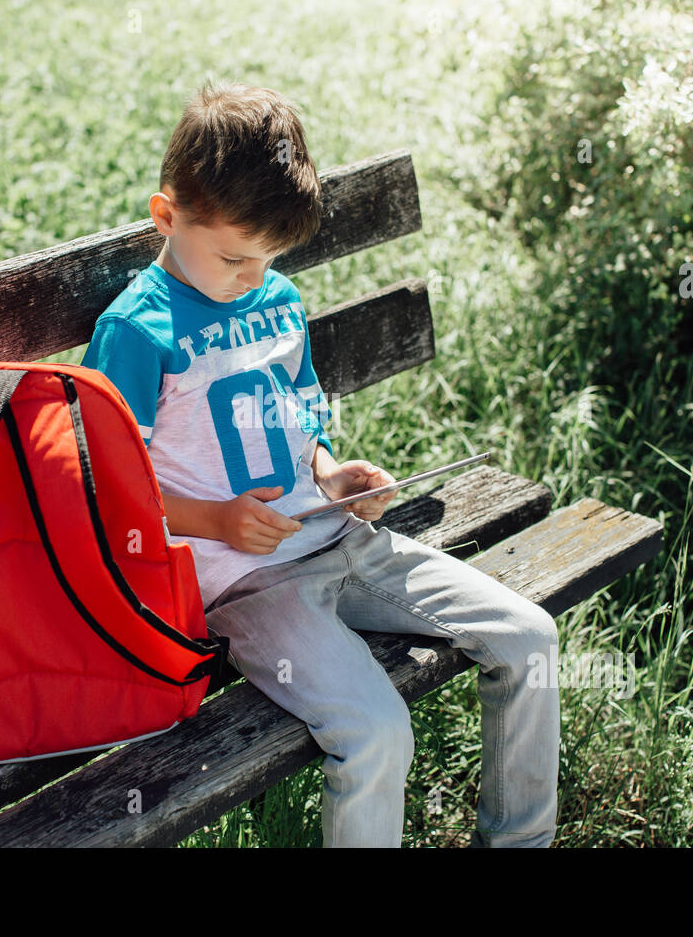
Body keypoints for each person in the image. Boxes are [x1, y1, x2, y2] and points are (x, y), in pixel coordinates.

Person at [80, 80, 559, 847]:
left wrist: (334, 477)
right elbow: (105, 489)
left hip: (340, 538)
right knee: (376, 731)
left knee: (527, 636)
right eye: (235, 256)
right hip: (244, 581)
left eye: (267, 259)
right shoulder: (137, 330)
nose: (250, 276)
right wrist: (215, 521)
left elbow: (300, 427)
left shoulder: (278, 300)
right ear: (165, 216)